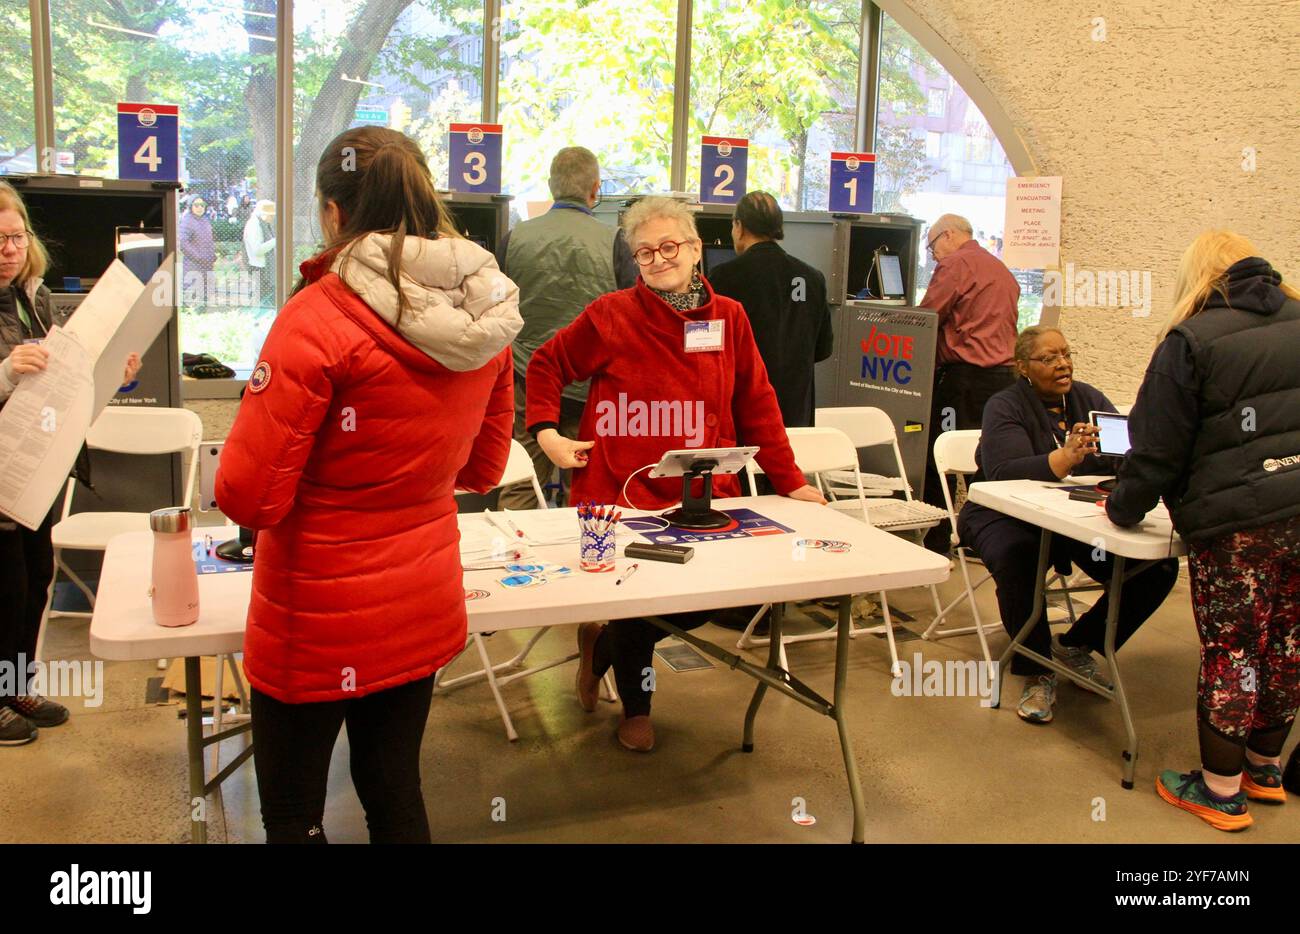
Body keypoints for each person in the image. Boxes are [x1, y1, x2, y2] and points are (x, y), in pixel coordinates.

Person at [215, 127, 521, 842]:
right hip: (421, 599)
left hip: (317, 612)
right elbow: (482, 469)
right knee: (392, 788)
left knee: (293, 813)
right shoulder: (486, 313)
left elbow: (250, 497)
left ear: (332, 213)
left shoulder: (317, 318)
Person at [526, 195, 825, 753]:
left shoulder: (729, 317)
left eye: (669, 247)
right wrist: (547, 432)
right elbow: (547, 363)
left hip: (703, 496)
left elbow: (757, 402)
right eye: (645, 252)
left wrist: (792, 481)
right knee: (640, 607)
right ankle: (638, 709)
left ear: (694, 250)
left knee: (704, 600)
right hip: (623, 492)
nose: (658, 259)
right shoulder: (611, 314)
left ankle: (601, 648)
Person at [1104, 231, 1300, 830]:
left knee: (1233, 649)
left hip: (1237, 523)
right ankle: (1264, 770)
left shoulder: (1191, 339)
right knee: (1288, 641)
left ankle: (1219, 791)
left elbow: (1157, 446)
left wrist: (1123, 506)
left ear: (1198, 277)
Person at [957, 325, 1178, 725]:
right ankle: (1036, 667)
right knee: (1019, 554)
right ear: (1023, 366)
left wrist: (1125, 457)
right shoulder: (1005, 405)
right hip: (999, 513)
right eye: (1049, 358)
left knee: (1158, 567)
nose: (1063, 364)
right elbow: (1003, 471)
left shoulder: (1089, 398)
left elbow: (1127, 456)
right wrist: (1066, 456)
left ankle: (1077, 644)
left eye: (1067, 354)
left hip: (1070, 516)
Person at [0, 180, 141, 746]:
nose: (9, 248)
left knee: (33, 581)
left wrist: (113, 379)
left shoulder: (33, 297)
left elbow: (61, 383)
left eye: (16, 236)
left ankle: (15, 687)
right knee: (2, 588)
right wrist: (7, 370)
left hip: (35, 468)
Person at [495, 147, 638, 509]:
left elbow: (495, 308)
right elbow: (631, 314)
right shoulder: (614, 242)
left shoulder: (514, 238)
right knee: (586, 479)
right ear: (595, 189)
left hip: (527, 376)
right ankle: (586, 556)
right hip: (590, 383)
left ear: (550, 187)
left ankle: (515, 558)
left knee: (524, 479)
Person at [919, 213, 1020, 551]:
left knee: (940, 458)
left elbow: (927, 318)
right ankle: (983, 536)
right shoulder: (1000, 268)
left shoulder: (955, 265)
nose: (933, 254)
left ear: (948, 235)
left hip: (963, 380)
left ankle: (938, 540)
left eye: (932, 245)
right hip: (1005, 380)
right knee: (986, 458)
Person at [708, 191, 833, 429]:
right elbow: (823, 349)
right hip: (796, 414)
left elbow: (711, 346)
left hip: (745, 411)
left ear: (739, 226)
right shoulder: (813, 278)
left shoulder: (724, 276)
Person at [178, 196, 216, 307]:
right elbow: (183, 242)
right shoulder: (188, 221)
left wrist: (212, 255)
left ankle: (202, 310)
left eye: (202, 205)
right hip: (193, 263)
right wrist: (198, 257)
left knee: (204, 288)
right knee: (191, 287)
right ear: (191, 206)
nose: (200, 208)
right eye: (196, 205)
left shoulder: (204, 219)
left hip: (206, 263)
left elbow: (209, 239)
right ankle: (189, 312)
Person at [242, 199, 276, 309]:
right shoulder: (254, 225)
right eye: (269, 215)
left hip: (265, 266)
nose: (272, 218)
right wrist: (275, 241)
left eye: (272, 215)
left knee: (265, 296)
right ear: (261, 213)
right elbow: (257, 250)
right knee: (261, 297)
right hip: (258, 267)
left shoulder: (264, 223)